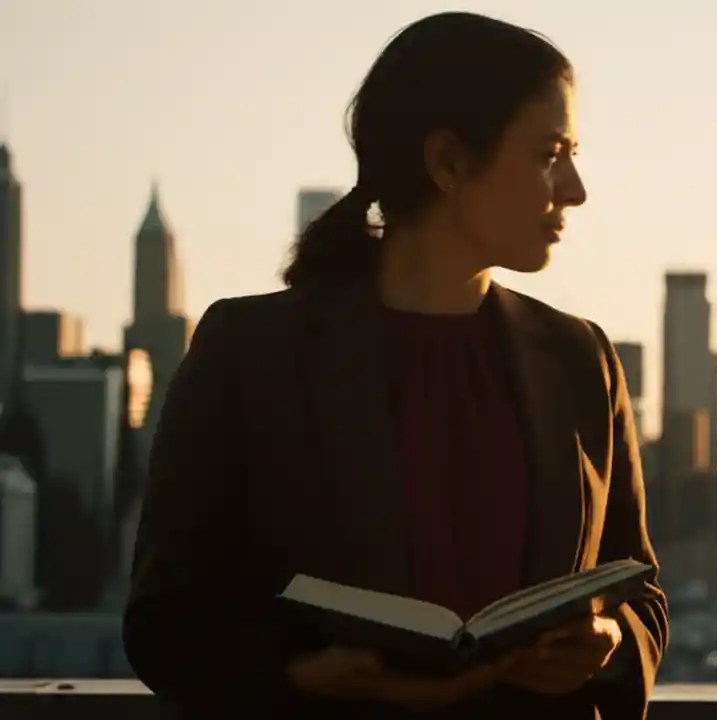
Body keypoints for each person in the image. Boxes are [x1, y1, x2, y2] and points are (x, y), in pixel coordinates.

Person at [122, 11, 667, 719]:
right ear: (448, 163)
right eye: (549, 154)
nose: (574, 188)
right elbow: (163, 618)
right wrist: (298, 674)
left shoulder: (580, 359)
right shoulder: (250, 352)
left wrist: (608, 642)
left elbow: (639, 594)